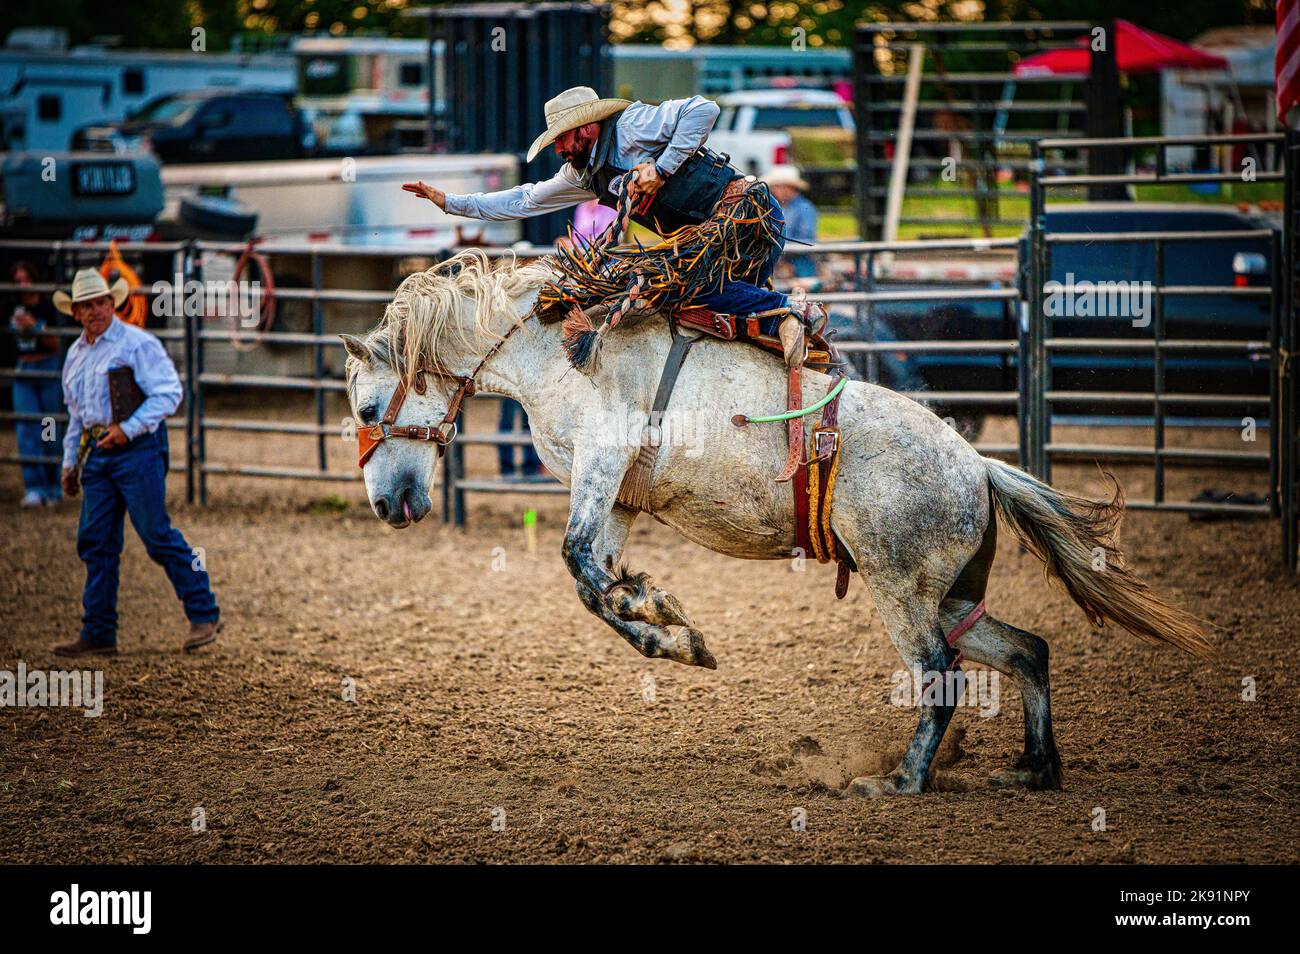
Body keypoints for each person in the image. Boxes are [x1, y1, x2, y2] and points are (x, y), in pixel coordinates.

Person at [402, 86, 822, 367]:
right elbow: (525, 199)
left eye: (563, 140)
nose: (560, 150)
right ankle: (776, 331)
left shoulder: (632, 127)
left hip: (748, 217)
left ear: (586, 129)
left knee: (685, 286)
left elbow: (703, 109)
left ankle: (789, 312)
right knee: (696, 304)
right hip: (714, 236)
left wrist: (661, 168)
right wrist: (452, 203)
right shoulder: (584, 174)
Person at [50, 269, 221, 657]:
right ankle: (98, 631)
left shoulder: (137, 343)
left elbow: (168, 394)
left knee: (156, 534)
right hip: (101, 451)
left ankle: (204, 612)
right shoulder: (76, 355)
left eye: (101, 302)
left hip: (137, 447)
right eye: (87, 305)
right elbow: (77, 417)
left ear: (112, 304)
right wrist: (69, 462)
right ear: (75, 312)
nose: (95, 310)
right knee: (96, 541)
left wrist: (127, 428)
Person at [8, 261, 64, 507]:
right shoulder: (9, 306)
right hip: (24, 369)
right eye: (18, 281)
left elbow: (56, 344)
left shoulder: (47, 306)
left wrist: (35, 327)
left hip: (47, 368)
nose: (24, 285)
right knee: (27, 427)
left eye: (27, 279)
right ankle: (34, 486)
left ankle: (53, 485)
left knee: (48, 426)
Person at [765, 165, 819, 280]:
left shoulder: (804, 208)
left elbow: (806, 238)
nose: (773, 190)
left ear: (787, 187)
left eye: (776, 186)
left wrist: (778, 247)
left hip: (799, 264)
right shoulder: (780, 207)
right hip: (782, 262)